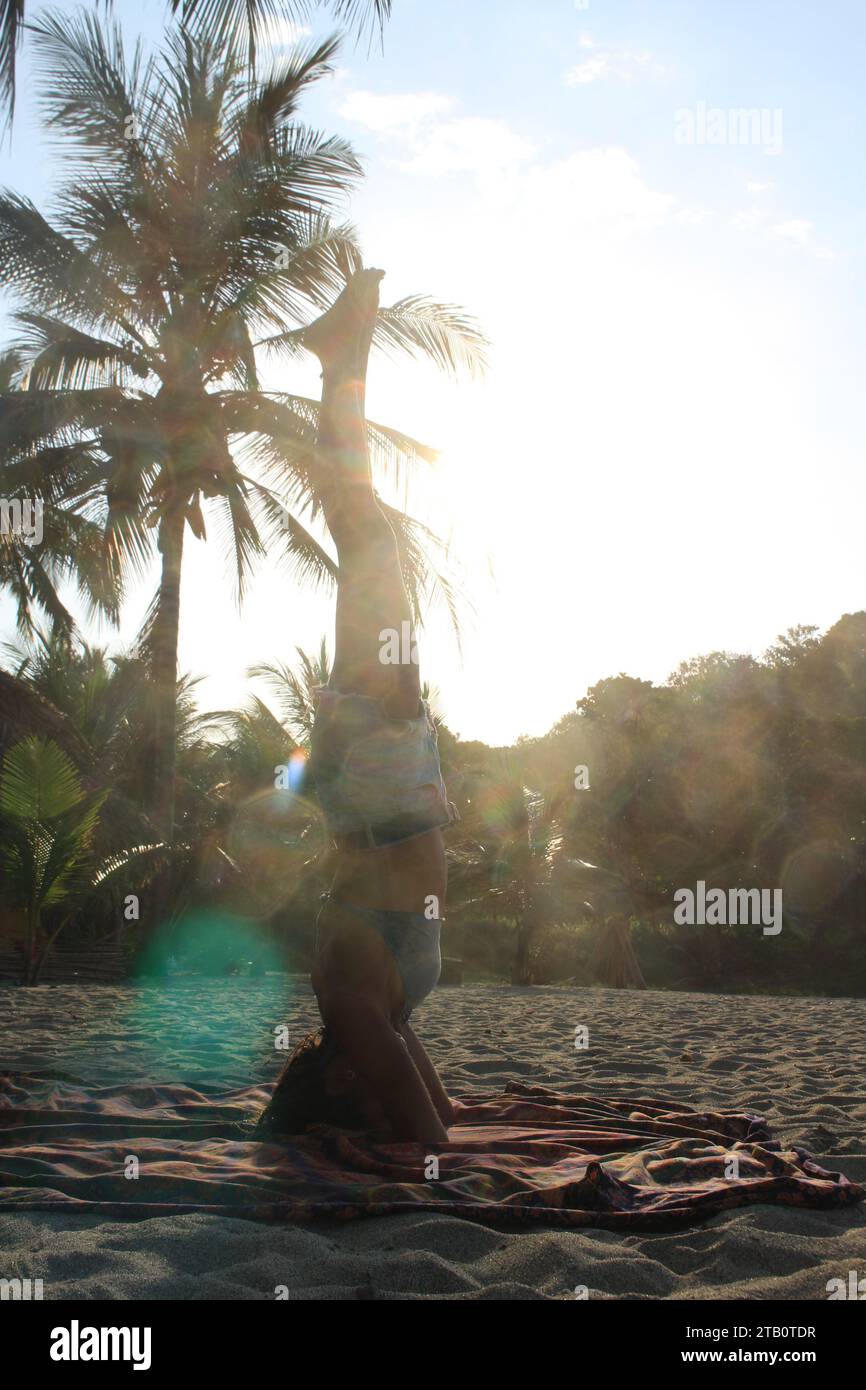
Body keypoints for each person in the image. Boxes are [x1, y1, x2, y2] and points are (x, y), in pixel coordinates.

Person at [256, 269, 457, 1144]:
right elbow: (441, 1127)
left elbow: (430, 1135)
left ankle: (345, 354)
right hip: (388, 762)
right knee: (363, 531)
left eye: (358, 1096)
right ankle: (344, 353)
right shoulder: (369, 1019)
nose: (371, 1092)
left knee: (361, 529)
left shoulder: (348, 1006)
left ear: (336, 1085)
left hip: (379, 755)